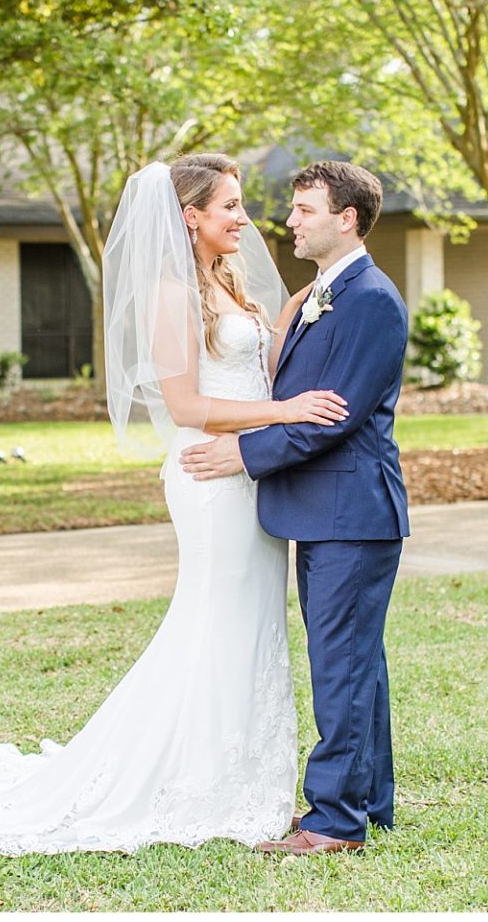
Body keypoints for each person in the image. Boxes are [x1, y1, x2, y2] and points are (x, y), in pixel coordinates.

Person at [0, 153, 347, 854]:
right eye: (229, 206)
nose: (244, 218)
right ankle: (190, 781)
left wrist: (296, 314)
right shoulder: (170, 294)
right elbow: (186, 405)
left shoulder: (228, 280)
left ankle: (237, 776)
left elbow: (249, 371)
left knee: (251, 620)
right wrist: (284, 413)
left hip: (250, 474)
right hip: (211, 478)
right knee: (214, 618)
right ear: (190, 216)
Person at [180, 159, 410, 856]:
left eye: (306, 209)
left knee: (341, 665)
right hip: (326, 510)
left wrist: (243, 454)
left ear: (347, 218)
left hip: (351, 512)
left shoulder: (370, 300)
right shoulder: (326, 294)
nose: (290, 221)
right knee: (356, 661)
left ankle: (334, 821)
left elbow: (332, 418)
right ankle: (370, 801)